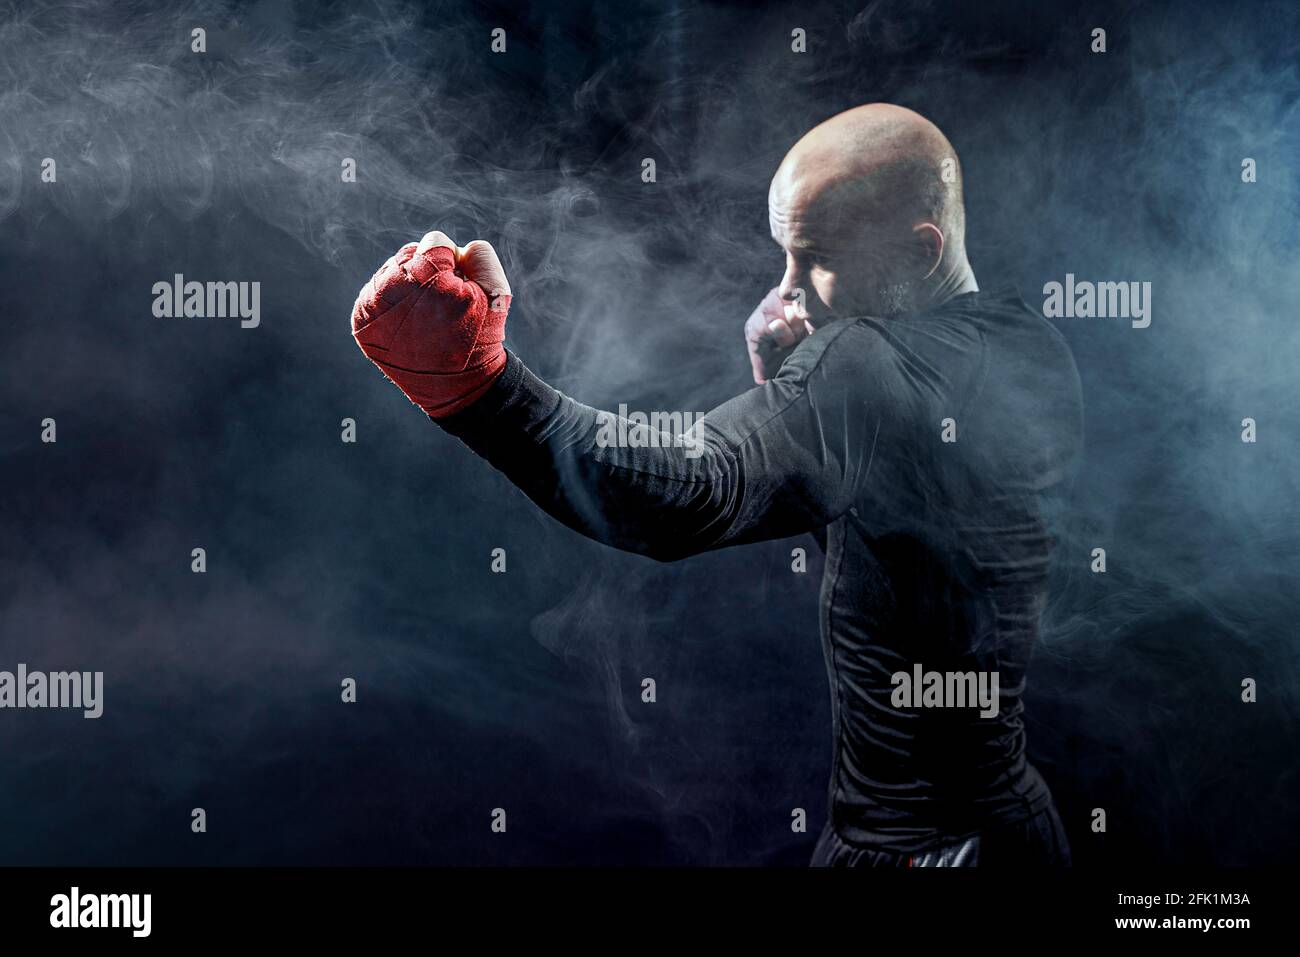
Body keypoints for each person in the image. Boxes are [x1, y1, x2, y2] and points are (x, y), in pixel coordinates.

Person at [350, 103, 1083, 867]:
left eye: (815, 258)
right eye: (784, 257)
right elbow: (901, 538)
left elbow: (687, 493)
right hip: (1017, 831)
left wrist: (483, 388)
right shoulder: (1034, 346)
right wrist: (790, 390)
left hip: (921, 853)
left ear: (921, 251)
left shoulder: (864, 364)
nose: (788, 291)